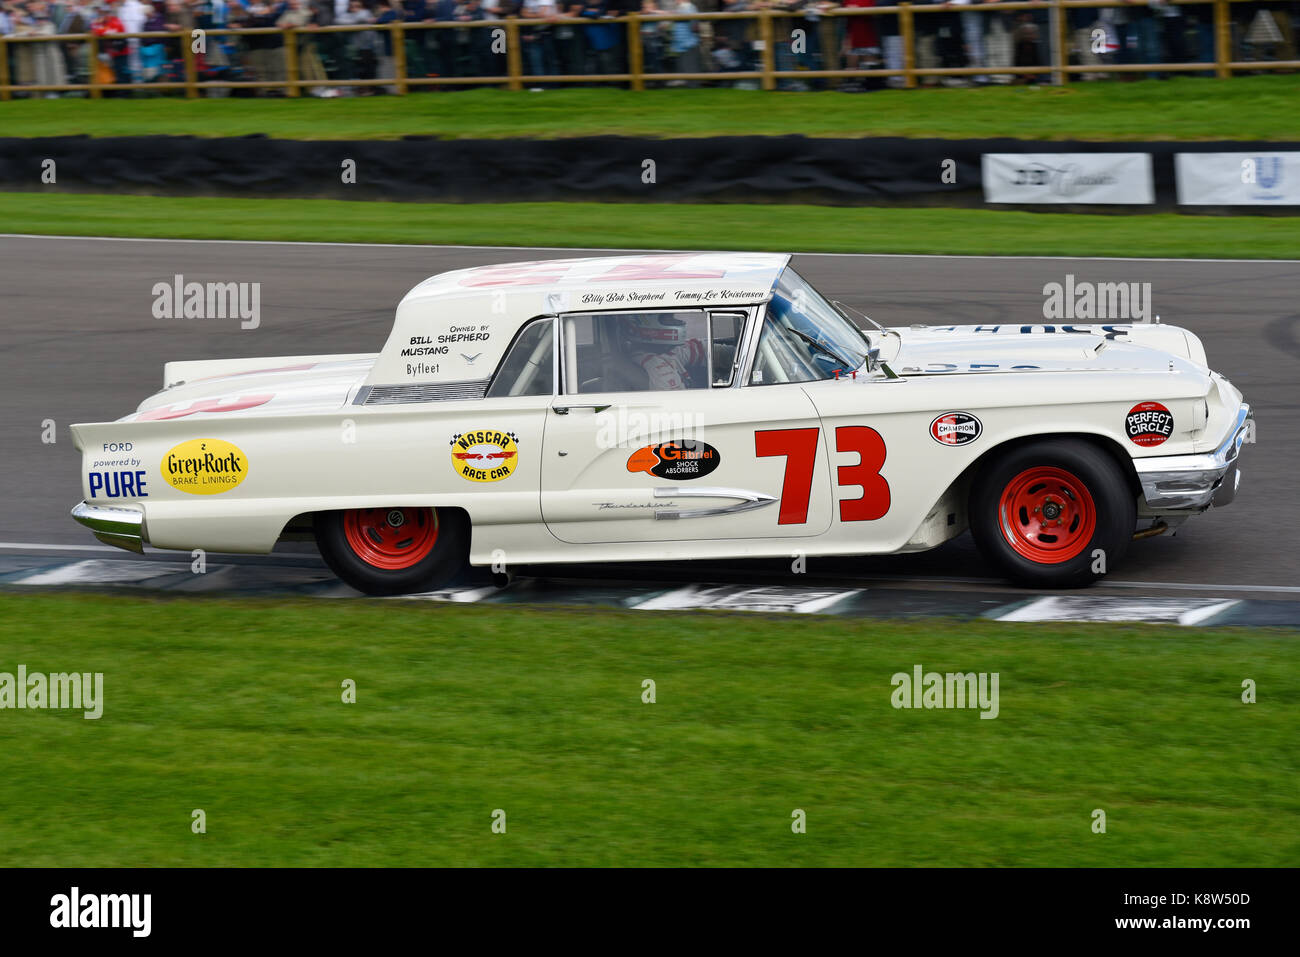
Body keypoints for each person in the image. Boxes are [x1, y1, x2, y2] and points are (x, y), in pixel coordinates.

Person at [620, 314, 707, 391]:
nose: (676, 322)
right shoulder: (656, 367)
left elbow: (699, 350)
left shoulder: (663, 352)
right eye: (668, 319)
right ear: (647, 325)